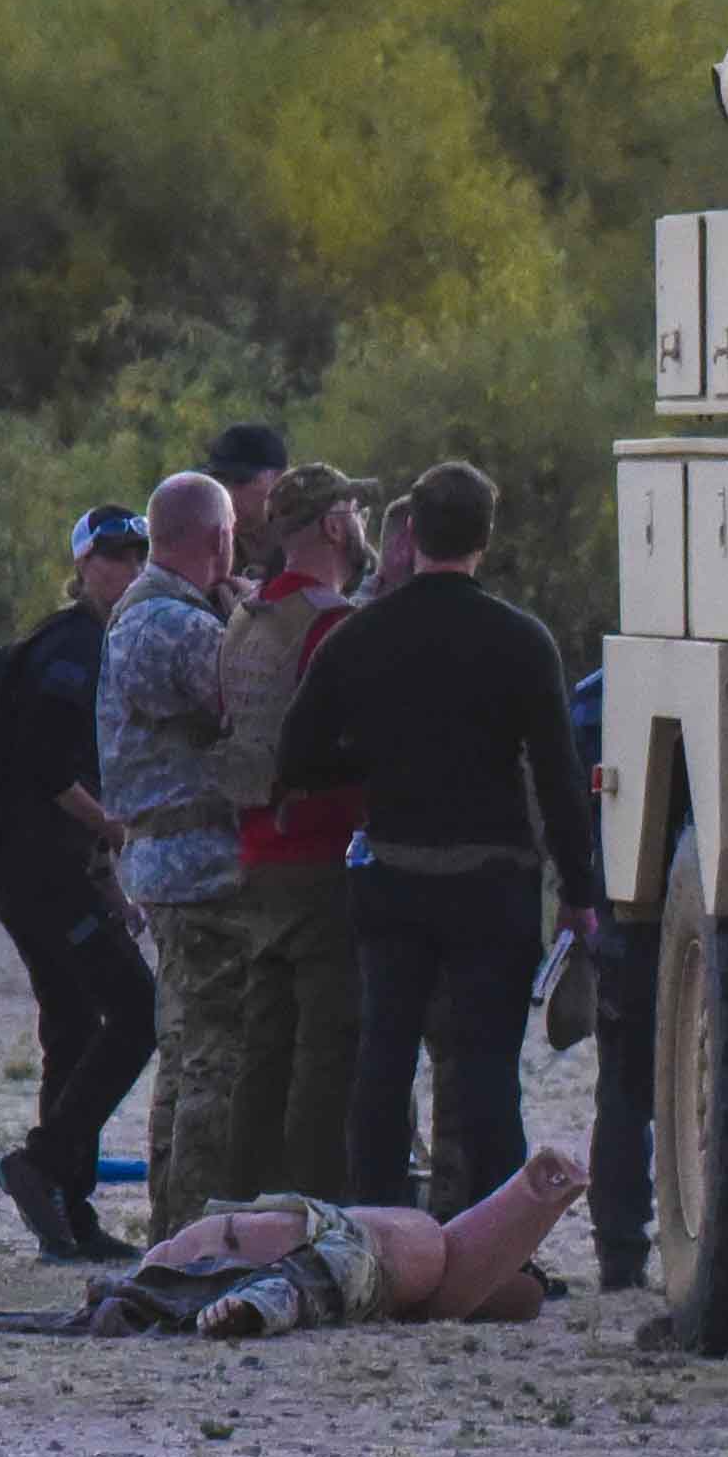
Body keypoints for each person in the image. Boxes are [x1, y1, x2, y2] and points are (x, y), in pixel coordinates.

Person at [277, 458, 604, 1207]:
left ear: (411, 533)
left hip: (393, 875)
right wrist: (579, 895)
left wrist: (373, 759)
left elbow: (296, 757)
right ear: (485, 539)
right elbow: (558, 778)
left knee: (383, 1061)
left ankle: (379, 1226)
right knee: (488, 1067)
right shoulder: (522, 641)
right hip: (493, 881)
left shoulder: (360, 637)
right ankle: (495, 1242)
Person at [193, 467, 376, 1216]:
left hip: (256, 854)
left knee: (264, 1050)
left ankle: (240, 1204)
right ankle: (309, 1213)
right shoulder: (333, 622)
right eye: (354, 510)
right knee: (327, 1050)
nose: (362, 522)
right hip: (319, 855)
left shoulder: (247, 616)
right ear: (333, 527)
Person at [0, 506, 159, 1260]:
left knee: (74, 1027)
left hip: (44, 872)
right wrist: (114, 828)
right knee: (138, 1012)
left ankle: (66, 1214)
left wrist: (112, 882)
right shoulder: (76, 647)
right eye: (110, 556)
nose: (125, 568)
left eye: (136, 554)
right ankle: (46, 1165)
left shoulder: (97, 641)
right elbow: (49, 770)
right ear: (83, 565)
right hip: (41, 874)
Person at [100, 471, 253, 1210]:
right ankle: (193, 1231)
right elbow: (251, 696)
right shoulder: (178, 625)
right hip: (203, 874)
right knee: (213, 1066)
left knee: (184, 1057)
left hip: (166, 869)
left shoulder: (150, 612)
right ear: (218, 538)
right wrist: (256, 618)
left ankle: (170, 1227)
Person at [120, 1139, 590, 1330]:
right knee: (420, 1261)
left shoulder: (167, 1269)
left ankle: (532, 1216)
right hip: (346, 1249)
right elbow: (305, 1284)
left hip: (345, 1247)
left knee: (433, 1267)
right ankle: (534, 1207)